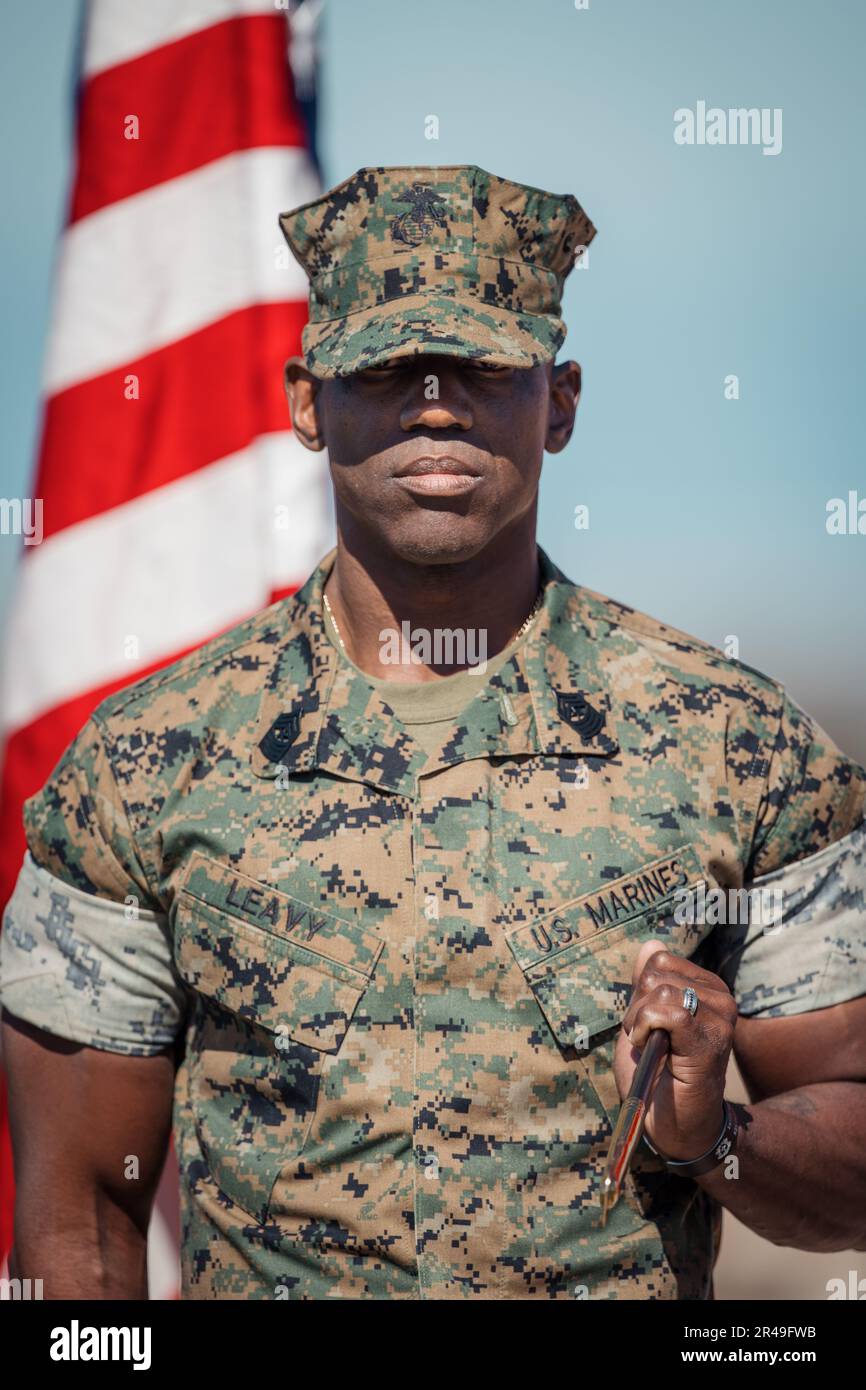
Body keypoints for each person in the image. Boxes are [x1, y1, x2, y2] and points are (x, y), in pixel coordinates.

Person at [2, 164, 865, 1301]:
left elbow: (851, 1168)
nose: (434, 402)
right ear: (308, 403)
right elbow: (79, 1223)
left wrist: (711, 1136)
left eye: (478, 367)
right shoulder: (147, 764)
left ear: (556, 403)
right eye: (387, 369)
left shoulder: (738, 750)